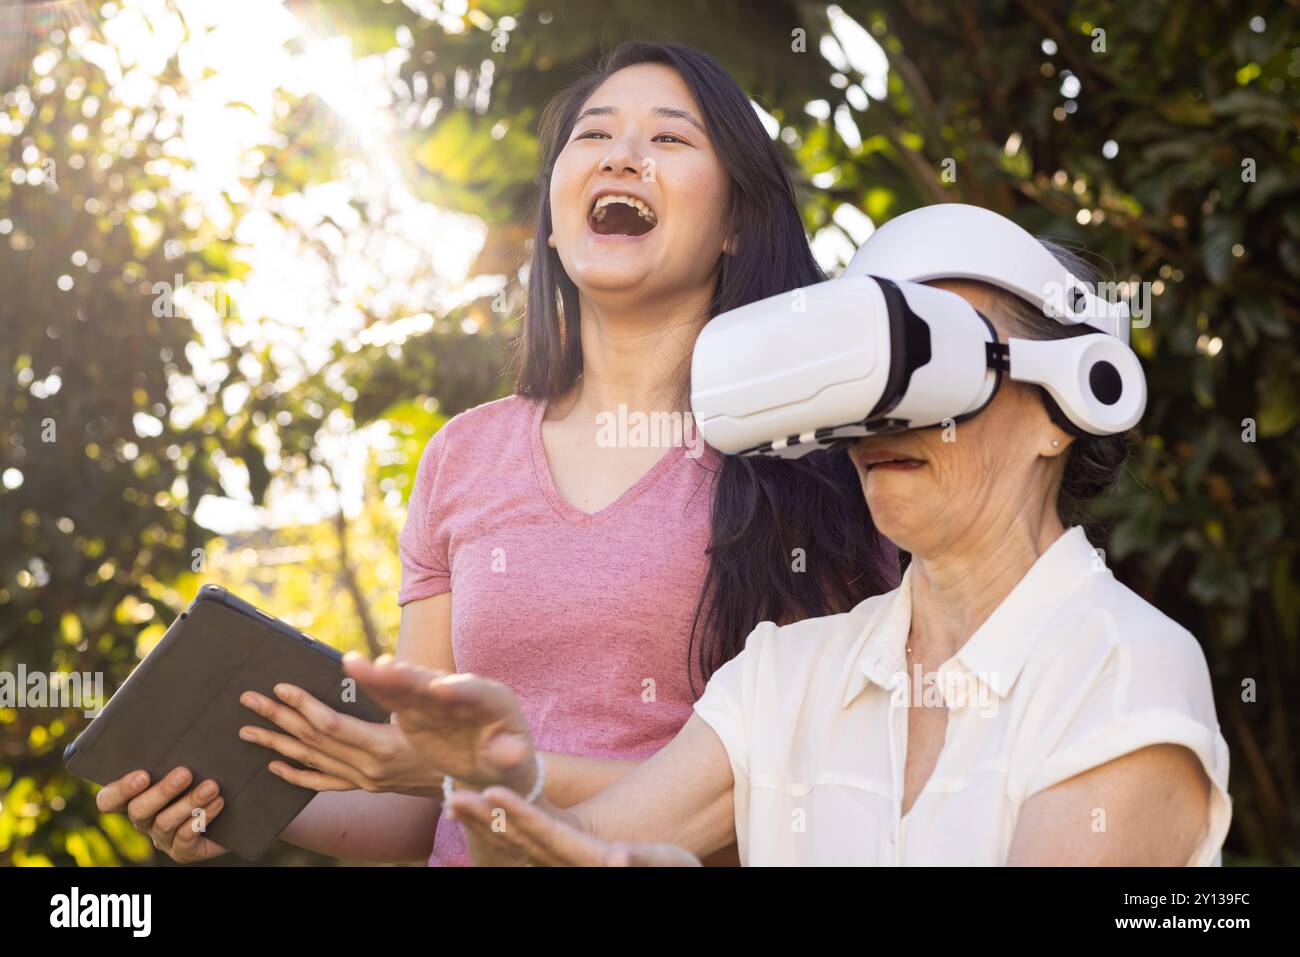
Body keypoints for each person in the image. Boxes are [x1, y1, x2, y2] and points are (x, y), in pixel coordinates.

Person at [89, 42, 898, 865]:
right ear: (551, 224)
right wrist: (231, 797)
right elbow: (412, 811)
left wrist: (466, 774)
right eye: (593, 136)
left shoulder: (811, 461)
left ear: (735, 223)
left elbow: (806, 776)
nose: (622, 154)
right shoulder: (462, 457)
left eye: (669, 139)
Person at [364, 207, 1233, 866]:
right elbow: (585, 849)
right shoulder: (788, 675)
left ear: (1063, 407)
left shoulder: (1124, 667)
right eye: (868, 374)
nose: (886, 417)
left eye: (934, 362)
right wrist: (498, 789)